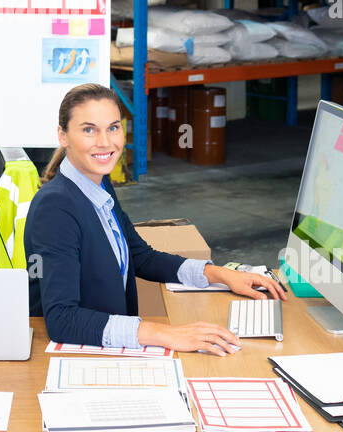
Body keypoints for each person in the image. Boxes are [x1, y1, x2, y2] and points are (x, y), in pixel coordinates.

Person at [27, 83, 287, 355]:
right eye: (89, 130)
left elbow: (141, 256)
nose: (105, 142)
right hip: (78, 352)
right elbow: (63, 320)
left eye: (113, 127)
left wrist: (219, 274)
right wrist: (165, 333)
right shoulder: (55, 208)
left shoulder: (98, 184)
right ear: (63, 135)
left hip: (111, 343)